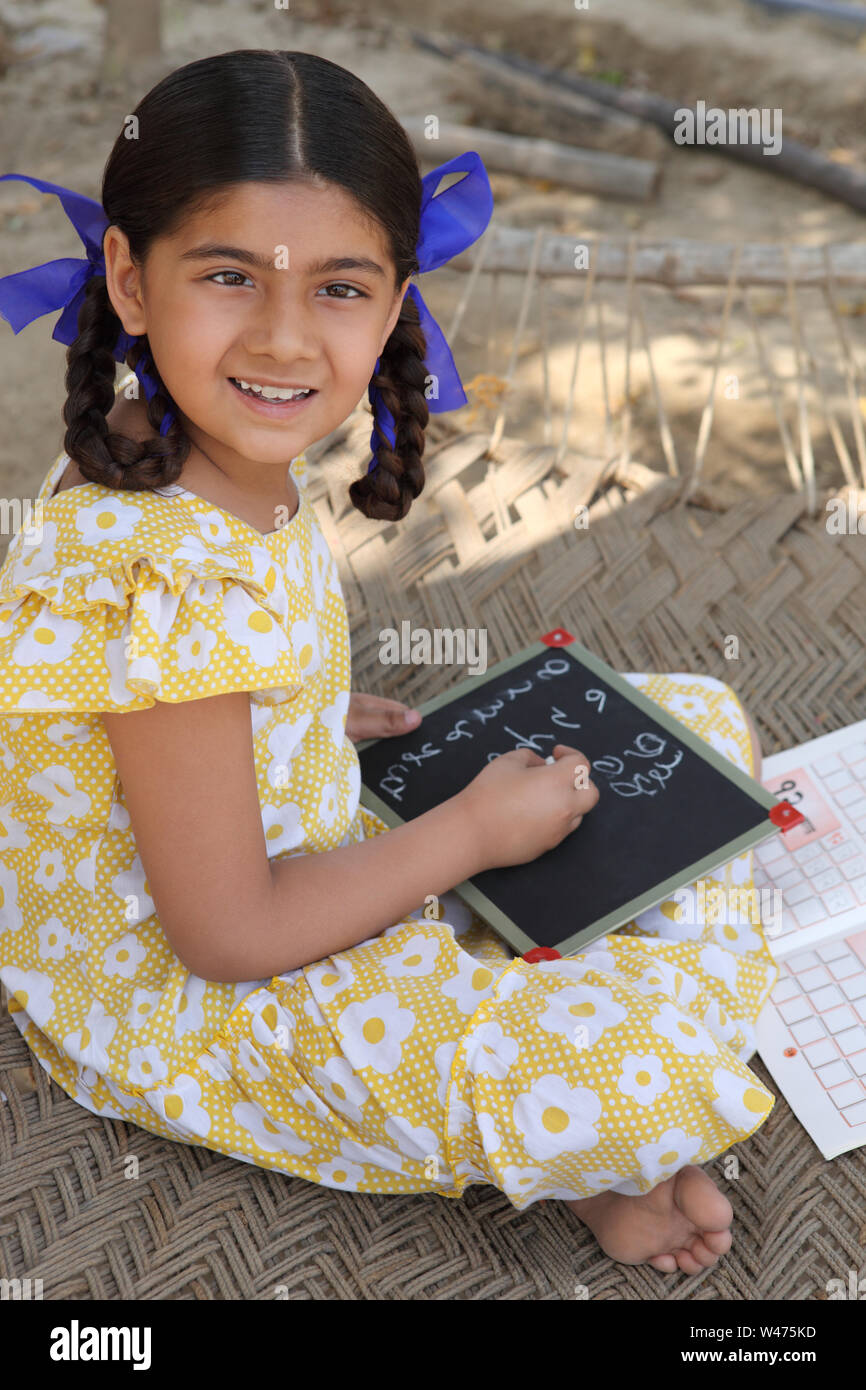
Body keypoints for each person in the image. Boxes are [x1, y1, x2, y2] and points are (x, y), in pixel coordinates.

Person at [0, 48, 778, 1277]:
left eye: (339, 289)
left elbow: (169, 705)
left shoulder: (183, 443)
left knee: (690, 715)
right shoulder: (163, 562)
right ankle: (588, 1128)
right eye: (226, 275)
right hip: (180, 990)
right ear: (129, 278)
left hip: (272, 840)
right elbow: (225, 936)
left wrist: (294, 717)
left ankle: (562, 1029)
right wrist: (466, 835)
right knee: (664, 1069)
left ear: (396, 300)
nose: (282, 335)